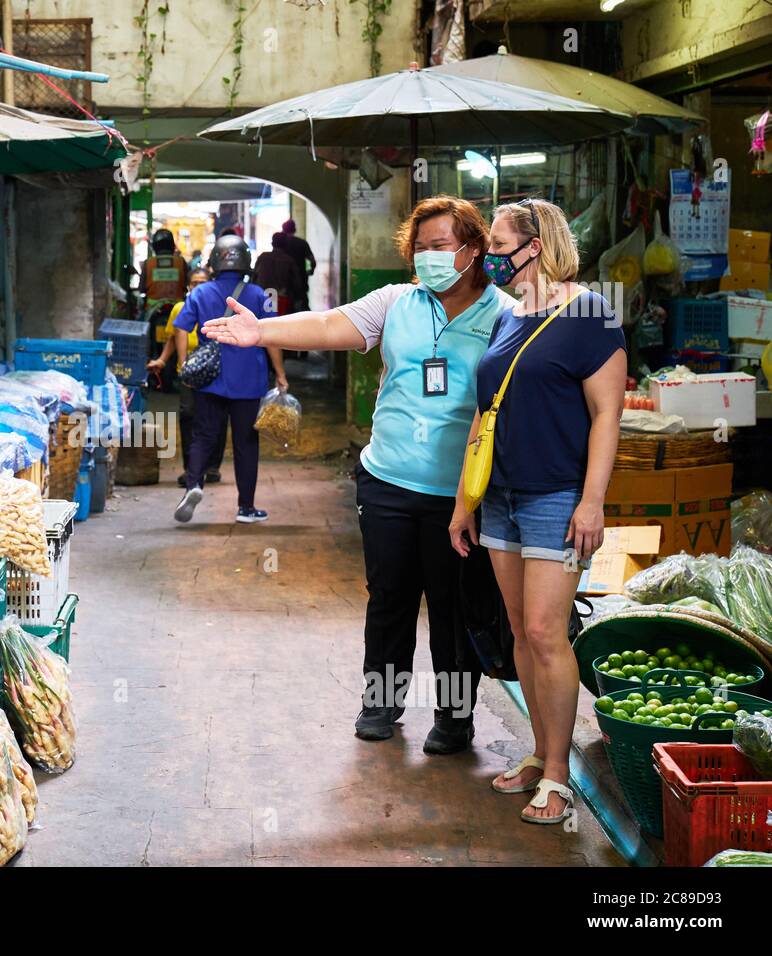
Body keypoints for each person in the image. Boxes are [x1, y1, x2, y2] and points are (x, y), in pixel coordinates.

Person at [202, 195, 515, 753]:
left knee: (452, 606)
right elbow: (327, 324)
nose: (427, 259)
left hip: (461, 491)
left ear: (472, 249)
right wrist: (263, 332)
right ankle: (381, 703)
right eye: (419, 249)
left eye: (440, 247)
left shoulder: (504, 315)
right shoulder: (398, 302)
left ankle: (454, 717)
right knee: (389, 595)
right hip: (389, 478)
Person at [449, 198, 625, 825]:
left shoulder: (592, 316)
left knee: (550, 632)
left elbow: (608, 414)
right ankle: (539, 753)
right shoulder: (510, 316)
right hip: (501, 495)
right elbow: (485, 407)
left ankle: (559, 774)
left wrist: (592, 501)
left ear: (538, 244)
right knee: (522, 631)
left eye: (498, 245)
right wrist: (464, 502)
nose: (488, 257)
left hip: (557, 495)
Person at [172, 234, 287, 525]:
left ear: (213, 262)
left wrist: (184, 363)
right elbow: (273, 338)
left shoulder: (199, 293)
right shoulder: (259, 295)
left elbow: (181, 328)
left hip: (209, 378)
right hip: (248, 380)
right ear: (246, 261)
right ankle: (246, 508)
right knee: (246, 443)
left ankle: (194, 485)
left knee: (203, 435)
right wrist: (281, 375)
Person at [146, 267, 228, 488]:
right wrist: (163, 360)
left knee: (216, 415)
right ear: (188, 287)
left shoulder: (218, 306)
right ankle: (191, 467)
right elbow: (174, 336)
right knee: (188, 414)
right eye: (194, 284)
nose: (198, 287)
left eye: (203, 283)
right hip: (189, 371)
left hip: (215, 368)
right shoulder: (180, 308)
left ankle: (212, 466)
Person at [140, 228, 188, 322]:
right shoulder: (181, 262)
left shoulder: (148, 263)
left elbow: (141, 288)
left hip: (152, 307)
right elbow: (186, 284)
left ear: (154, 246)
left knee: (140, 324)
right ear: (172, 246)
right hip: (177, 307)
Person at [252, 233, 307, 316]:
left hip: (262, 298)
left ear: (272, 243)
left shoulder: (262, 257)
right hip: (282, 302)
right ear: (286, 245)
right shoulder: (289, 261)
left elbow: (253, 278)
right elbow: (297, 285)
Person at [279, 218, 316, 311]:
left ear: (283, 229)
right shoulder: (302, 243)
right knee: (302, 308)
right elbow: (312, 260)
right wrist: (309, 271)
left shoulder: (281, 243)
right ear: (294, 229)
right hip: (301, 280)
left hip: (284, 282)